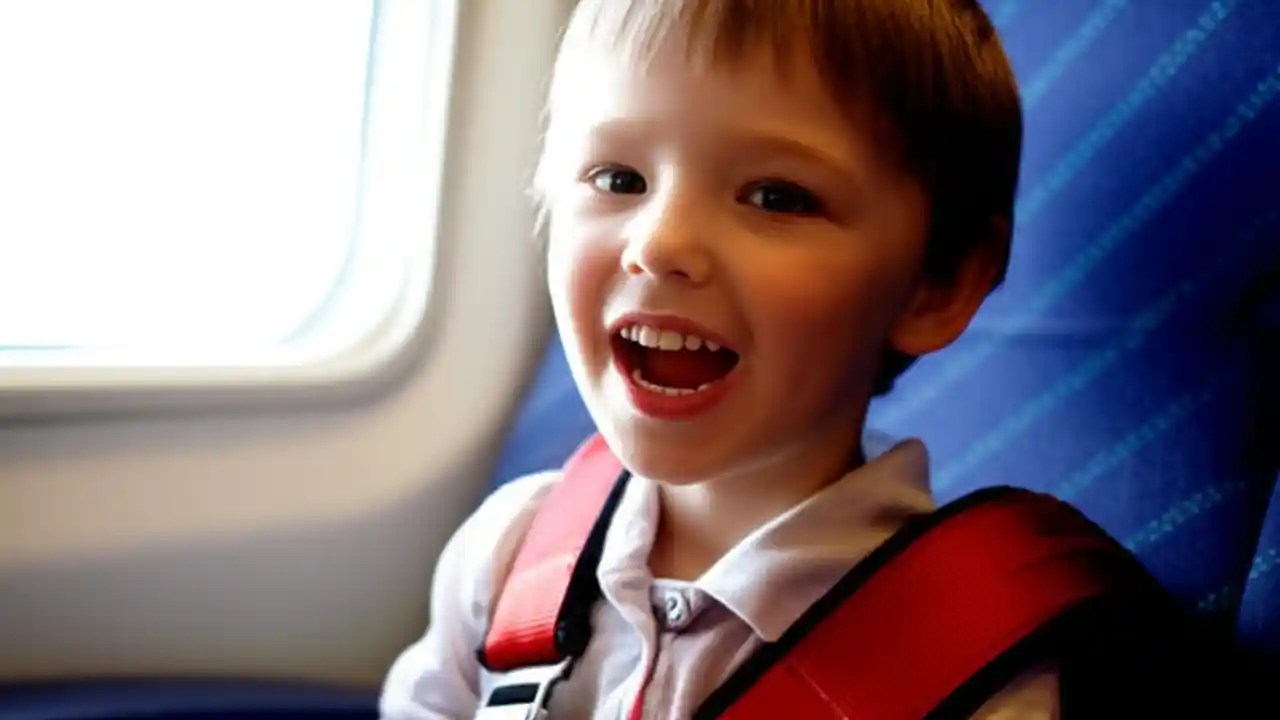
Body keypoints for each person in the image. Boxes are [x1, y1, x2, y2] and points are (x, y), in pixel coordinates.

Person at [382, 1, 1095, 716]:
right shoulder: (508, 556)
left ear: (935, 287)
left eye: (776, 197)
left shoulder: (968, 659)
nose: (659, 244)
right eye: (618, 179)